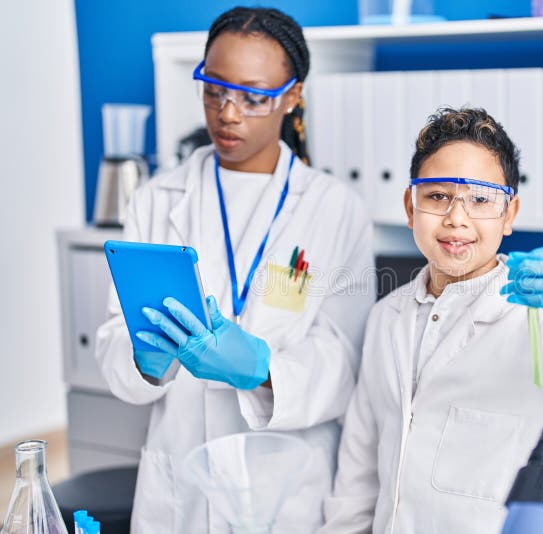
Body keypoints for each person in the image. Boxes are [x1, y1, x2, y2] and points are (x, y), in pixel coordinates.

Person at [320, 107, 543, 533]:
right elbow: (360, 478)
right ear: (411, 205)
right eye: (437, 196)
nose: (457, 218)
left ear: (509, 214)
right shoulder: (388, 318)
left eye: (480, 199)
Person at [95, 7, 374, 532]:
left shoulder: (336, 208)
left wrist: (261, 369)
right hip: (179, 482)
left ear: (293, 97)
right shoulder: (157, 200)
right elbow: (113, 337)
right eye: (214, 90)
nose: (227, 113)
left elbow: (346, 360)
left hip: (285, 485)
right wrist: (144, 359)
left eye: (253, 97)